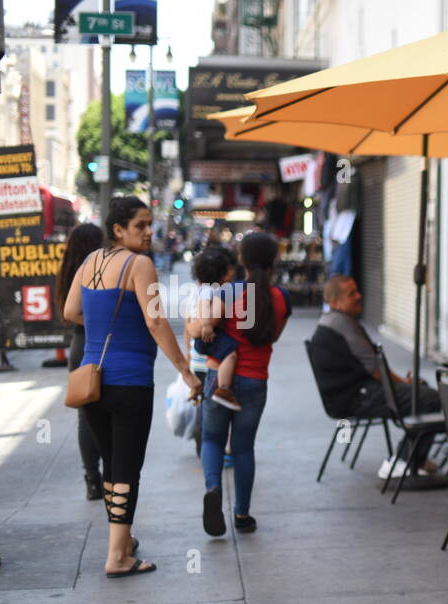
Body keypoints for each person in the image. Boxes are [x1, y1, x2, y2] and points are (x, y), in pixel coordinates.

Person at [63, 196, 201, 578]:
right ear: (118, 229)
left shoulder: (90, 262)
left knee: (112, 467)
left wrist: (105, 320)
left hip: (92, 381)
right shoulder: (140, 266)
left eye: (149, 224)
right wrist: (186, 371)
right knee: (126, 470)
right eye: (140, 225)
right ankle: (117, 558)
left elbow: (70, 311)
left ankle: (123, 542)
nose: (148, 232)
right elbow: (156, 323)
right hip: (130, 383)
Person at [190, 232, 293, 536]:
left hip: (218, 376)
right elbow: (273, 336)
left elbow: (200, 332)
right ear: (275, 260)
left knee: (211, 440)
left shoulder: (228, 293)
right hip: (255, 380)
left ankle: (213, 490)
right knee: (244, 448)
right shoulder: (282, 298)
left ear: (242, 261)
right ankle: (243, 515)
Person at [309, 274, 445, 481]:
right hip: (355, 399)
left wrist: (404, 383)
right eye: (351, 294)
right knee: (428, 398)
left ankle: (414, 456)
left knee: (421, 390)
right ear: (335, 301)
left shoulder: (332, 321)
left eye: (356, 291)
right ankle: (406, 461)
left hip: (352, 394)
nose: (358, 296)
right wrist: (404, 383)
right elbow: (376, 368)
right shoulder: (342, 324)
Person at [55, 222, 105, 500]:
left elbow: (66, 312)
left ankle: (91, 478)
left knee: (85, 416)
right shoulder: (96, 270)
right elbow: (74, 313)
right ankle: (110, 476)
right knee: (105, 413)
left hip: (78, 345)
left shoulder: (66, 272)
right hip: (96, 345)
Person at [188, 249, 242, 411]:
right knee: (231, 354)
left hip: (202, 339)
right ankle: (223, 389)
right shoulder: (209, 290)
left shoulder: (203, 289)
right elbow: (204, 306)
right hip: (207, 336)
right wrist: (206, 325)